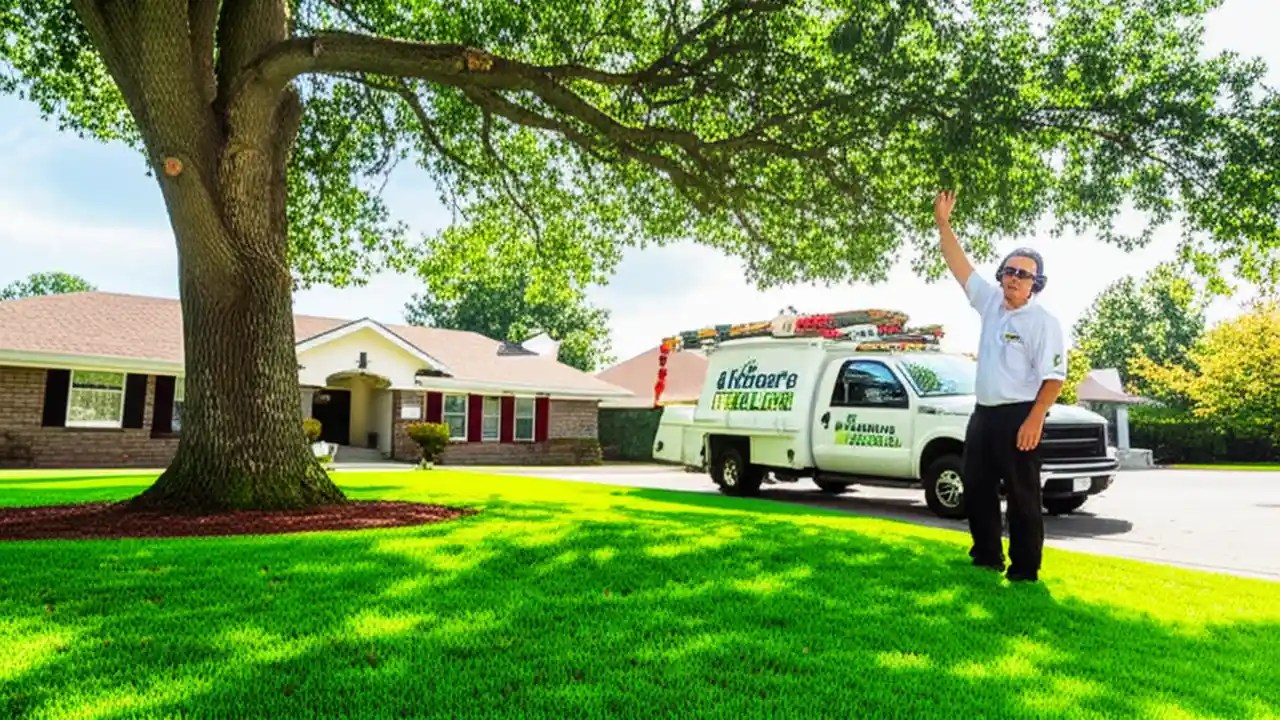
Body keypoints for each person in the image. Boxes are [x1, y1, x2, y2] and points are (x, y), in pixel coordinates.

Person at [933, 189, 1067, 583]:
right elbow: (960, 267)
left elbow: (1054, 377)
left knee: (1024, 497)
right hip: (984, 415)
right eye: (1009, 271)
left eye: (1023, 274)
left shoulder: (1043, 323)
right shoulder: (990, 302)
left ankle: (1024, 570)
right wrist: (944, 224)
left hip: (1019, 417)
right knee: (975, 486)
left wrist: (1035, 419)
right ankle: (986, 555)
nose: (1013, 278)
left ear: (1035, 284)